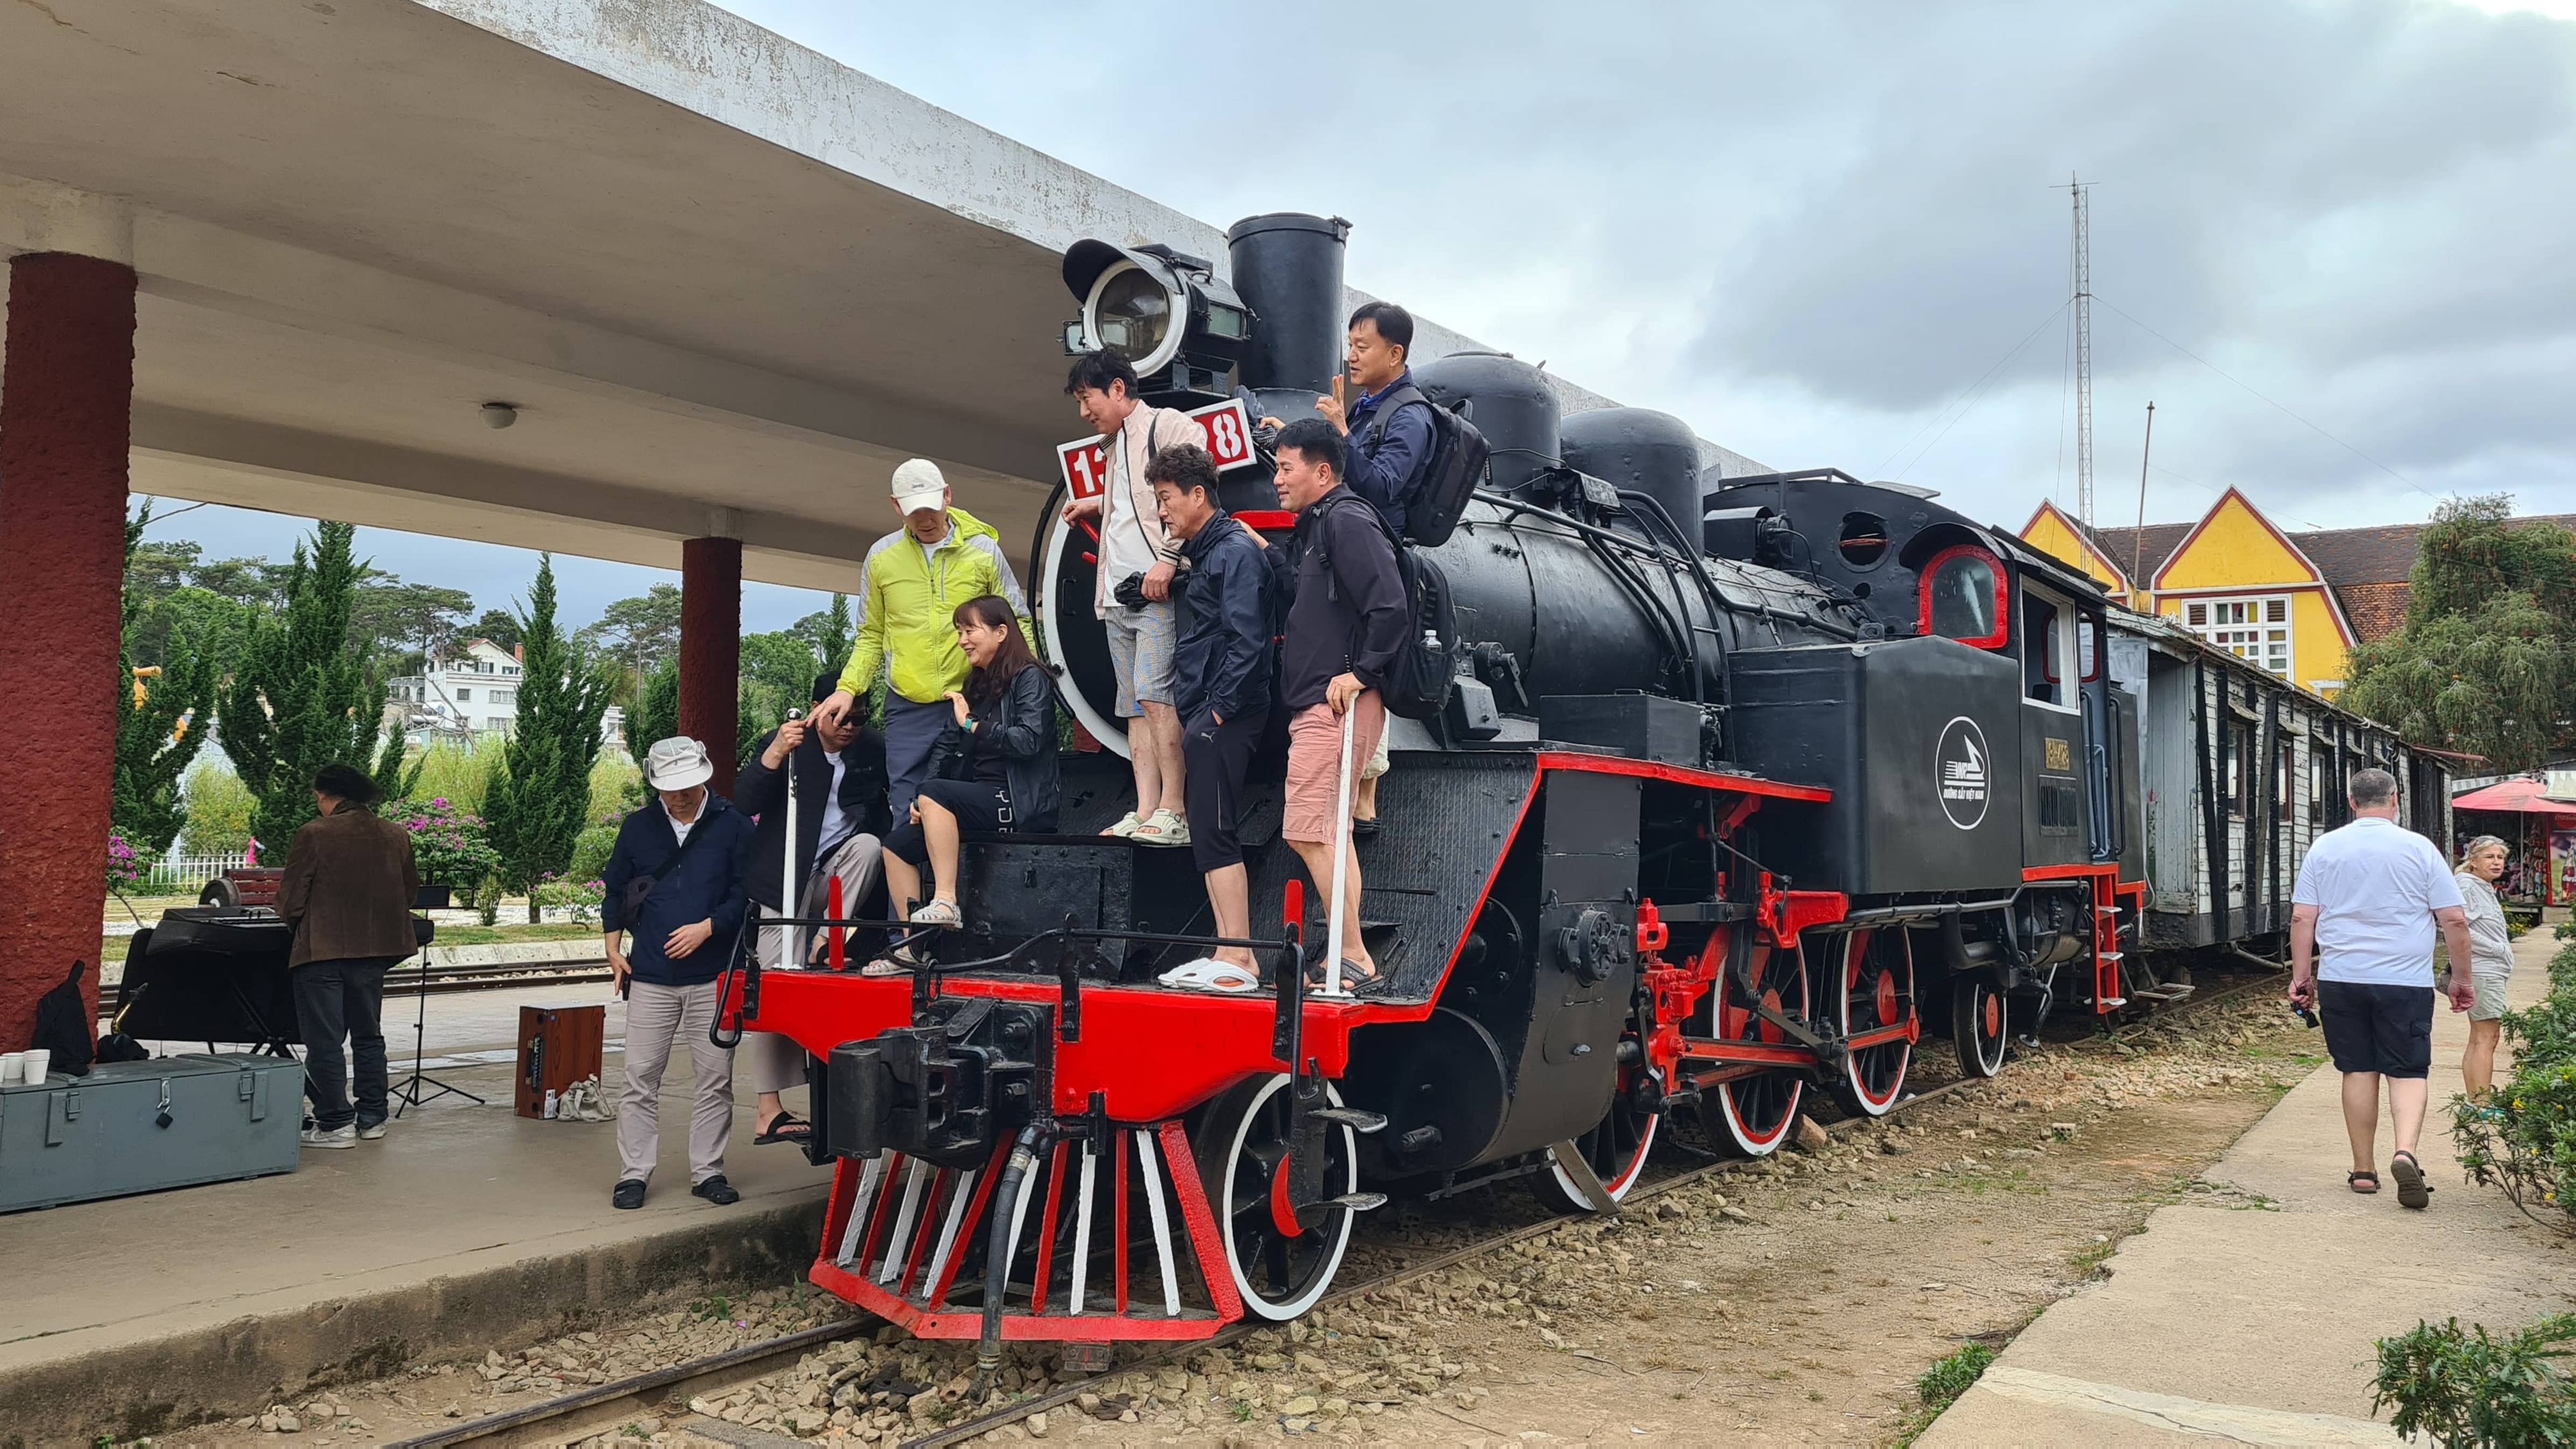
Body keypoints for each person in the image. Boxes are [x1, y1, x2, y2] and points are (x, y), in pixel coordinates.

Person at [2289, 767, 2476, 1210]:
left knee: (2357, 1069)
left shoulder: (2325, 847)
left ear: (2351, 802)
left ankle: (2362, 1171)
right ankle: (2405, 1151)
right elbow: (2453, 919)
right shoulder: (2418, 849)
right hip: (2402, 982)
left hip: (2341, 978)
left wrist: (2301, 978)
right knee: (2407, 1071)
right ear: (2395, 799)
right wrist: (2461, 979)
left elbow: (2302, 918)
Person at [811, 458, 1029, 826]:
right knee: (906, 808)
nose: (925, 519)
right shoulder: (881, 557)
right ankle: (912, 888)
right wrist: (848, 688)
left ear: (947, 496)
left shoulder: (983, 550)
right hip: (908, 705)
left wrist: (1025, 683)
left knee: (975, 804)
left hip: (977, 698)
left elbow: (1016, 621)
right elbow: (870, 635)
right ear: (896, 507)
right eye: (915, 512)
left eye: (932, 507)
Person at [1269, 418, 1405, 993]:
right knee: (1329, 830)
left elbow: (1390, 605)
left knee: (1308, 828)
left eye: (1284, 467)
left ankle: (1351, 954)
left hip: (1335, 703)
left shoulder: (1345, 520)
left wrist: (1361, 673)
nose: (1276, 478)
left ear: (1321, 470)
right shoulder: (1324, 523)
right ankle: (1347, 954)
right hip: (1325, 701)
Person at [735, 670, 891, 1147]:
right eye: (841, 717)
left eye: (859, 719)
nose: (849, 727)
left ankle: (830, 936)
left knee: (869, 845)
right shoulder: (788, 741)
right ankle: (768, 1108)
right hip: (784, 873)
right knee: (776, 982)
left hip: (839, 871)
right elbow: (743, 801)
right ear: (818, 707)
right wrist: (777, 752)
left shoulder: (871, 748)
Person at [601, 737, 757, 1210]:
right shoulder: (638, 827)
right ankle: (633, 1173)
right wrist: (611, 944)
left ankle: (707, 1170)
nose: (679, 796)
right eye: (669, 788)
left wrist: (709, 926)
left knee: (715, 1078)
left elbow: (747, 894)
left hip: (713, 974)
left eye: (687, 786)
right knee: (639, 1077)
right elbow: (614, 887)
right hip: (650, 973)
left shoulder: (732, 826)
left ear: (704, 776)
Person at [870, 595, 1062, 966]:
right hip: (977, 798)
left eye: (970, 629)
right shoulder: (974, 684)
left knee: (934, 793)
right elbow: (946, 744)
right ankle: (911, 951)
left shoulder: (1031, 678)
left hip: (1017, 803)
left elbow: (1029, 741)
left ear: (1001, 632)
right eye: (959, 631)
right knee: (895, 845)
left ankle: (945, 901)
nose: (962, 640)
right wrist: (919, 801)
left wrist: (973, 724)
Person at [1062, 350, 1199, 848]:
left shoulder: (1168, 425)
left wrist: (1169, 557)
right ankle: (1146, 809)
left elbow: (1195, 491)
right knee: (1135, 705)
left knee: (1155, 695)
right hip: (1117, 594)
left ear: (1118, 389)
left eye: (1087, 398)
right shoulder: (1115, 444)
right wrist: (1094, 502)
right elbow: (1135, 501)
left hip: (1156, 590)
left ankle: (1175, 809)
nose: (1084, 411)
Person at [1152, 442, 1273, 974]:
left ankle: (1238, 953)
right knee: (1207, 827)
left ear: (1197, 495)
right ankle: (1227, 949)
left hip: (1226, 714)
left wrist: (1215, 714)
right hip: (1212, 711)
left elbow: (1249, 639)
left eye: (1165, 497)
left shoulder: (1232, 553)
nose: (1161, 510)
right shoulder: (1211, 551)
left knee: (1215, 827)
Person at [1315, 301, 1432, 838]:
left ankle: (1363, 792)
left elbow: (1382, 485)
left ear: (1395, 352)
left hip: (1378, 551)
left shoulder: (1410, 415)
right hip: (1348, 548)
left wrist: (1339, 430)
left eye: (1362, 345)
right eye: (1350, 342)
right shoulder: (1367, 408)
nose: (1351, 354)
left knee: (1367, 659)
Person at [276, 762, 421, 1149]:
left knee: (325, 1040)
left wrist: (298, 926)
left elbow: (290, 900)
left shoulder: (314, 834)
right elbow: (409, 893)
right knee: (368, 1036)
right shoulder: (395, 835)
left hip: (323, 951)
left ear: (324, 796)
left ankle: (335, 1120)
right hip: (374, 955)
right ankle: (373, 1117)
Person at [2453, 835, 2515, 1100]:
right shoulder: (2468, 886)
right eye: (2489, 857)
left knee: (2480, 1037)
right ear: (2473, 862)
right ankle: (2482, 1102)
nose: (2497, 862)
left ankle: (2475, 1100)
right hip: (2484, 970)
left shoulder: (2481, 886)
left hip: (2489, 970)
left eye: (2500, 857)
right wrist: (2498, 948)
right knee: (2486, 1039)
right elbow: (2460, 928)